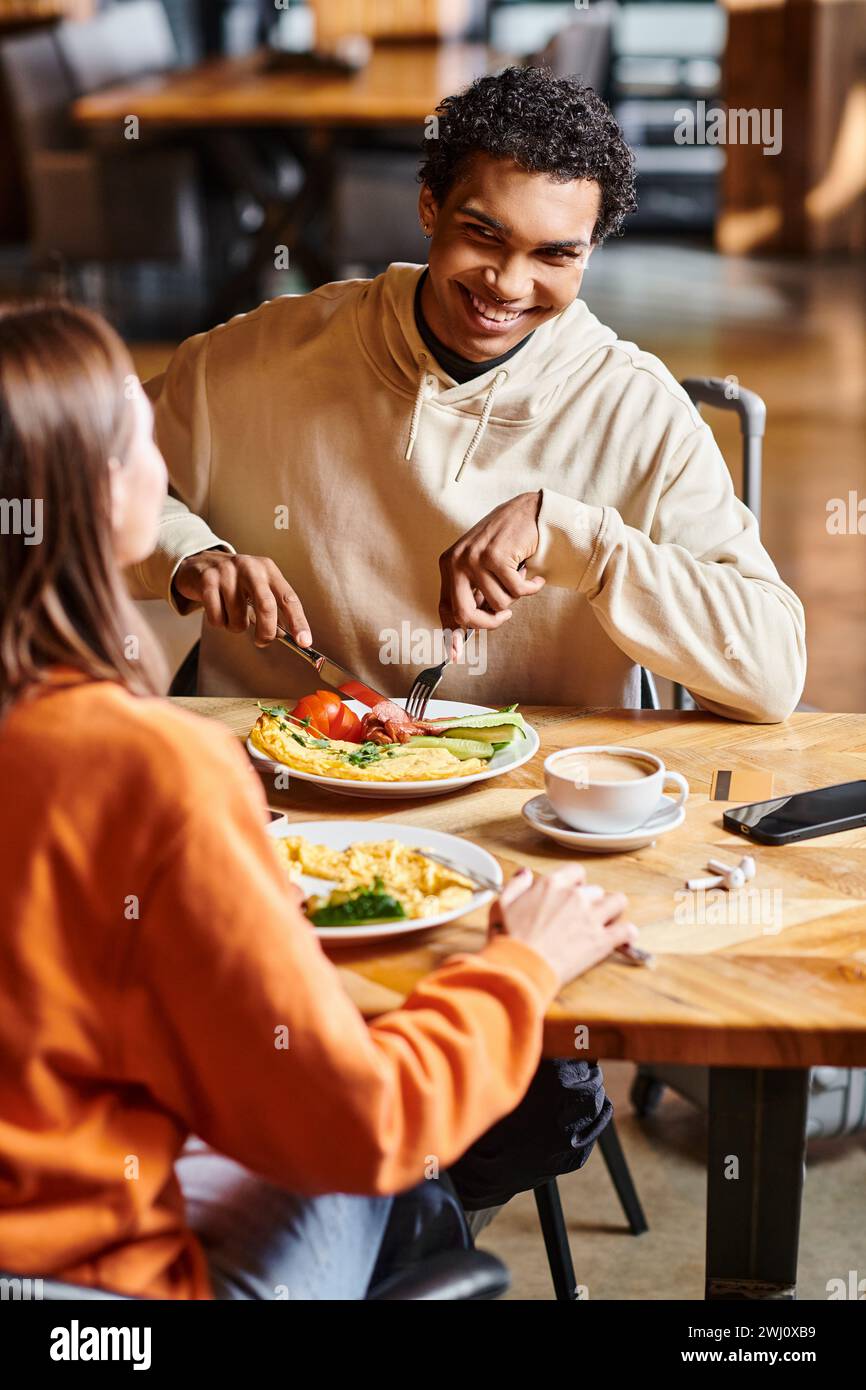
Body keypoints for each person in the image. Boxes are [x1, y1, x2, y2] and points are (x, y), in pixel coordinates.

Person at [0, 302, 637, 1299]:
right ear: (98, 490)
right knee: (403, 1175)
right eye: (134, 423)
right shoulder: (159, 769)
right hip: (97, 1293)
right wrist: (523, 964)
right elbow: (363, 1126)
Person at [133, 66, 805, 721]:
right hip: (278, 787)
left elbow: (772, 676)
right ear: (431, 205)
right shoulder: (260, 357)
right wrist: (188, 554)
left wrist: (583, 544)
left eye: (555, 255)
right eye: (485, 235)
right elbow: (70, 477)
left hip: (534, 808)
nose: (508, 285)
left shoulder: (638, 410)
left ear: (590, 253)